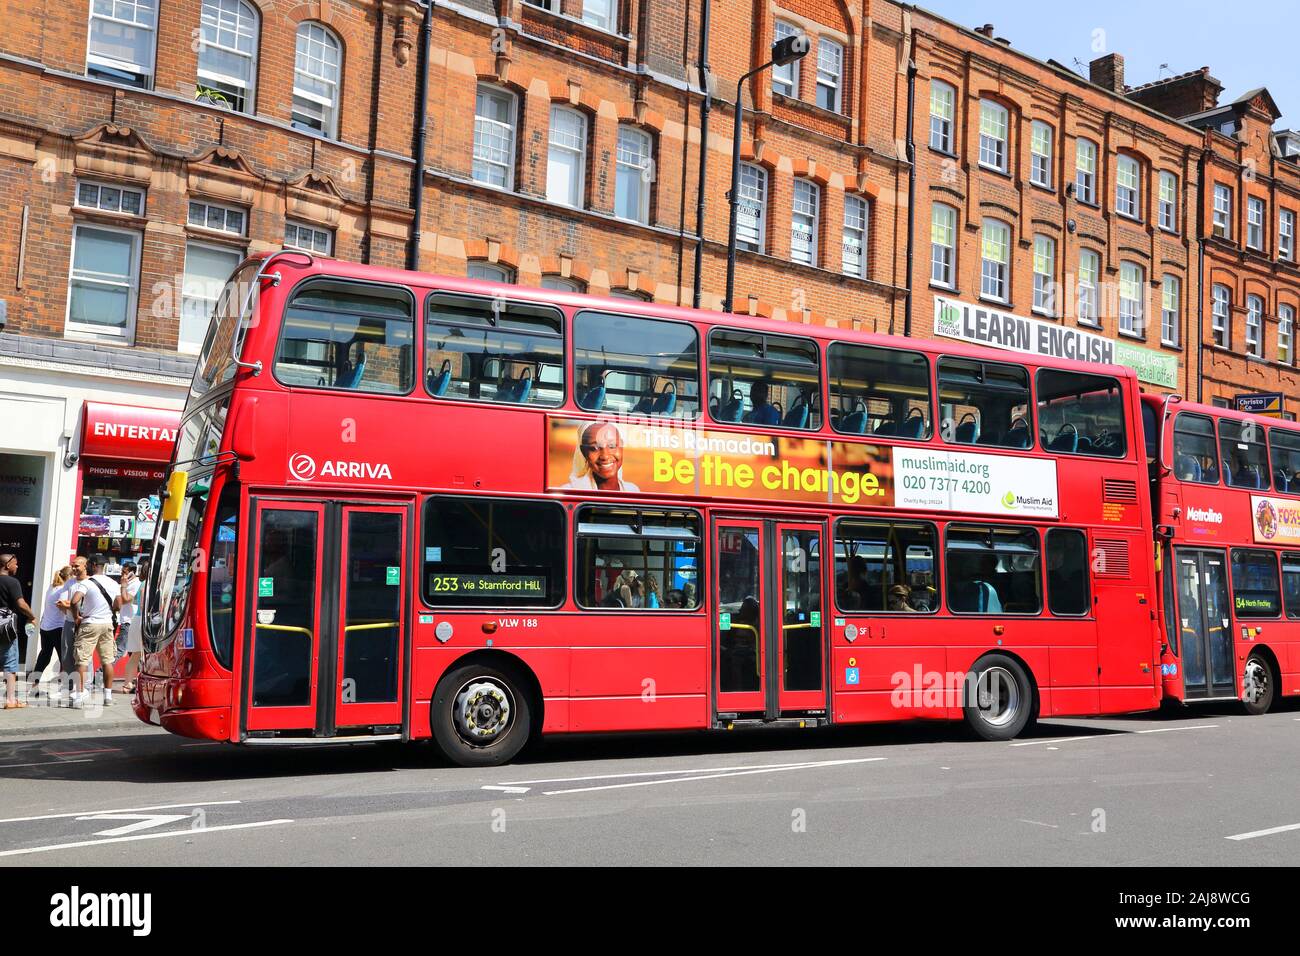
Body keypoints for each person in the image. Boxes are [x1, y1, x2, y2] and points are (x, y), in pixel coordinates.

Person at [69, 553, 121, 707]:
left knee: (82, 660)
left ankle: (79, 697)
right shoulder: (113, 583)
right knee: (107, 661)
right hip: (107, 625)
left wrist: (76, 616)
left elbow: (74, 601)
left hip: (89, 623)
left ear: (92, 565)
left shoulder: (87, 583)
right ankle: (108, 697)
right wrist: (109, 611)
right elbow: (118, 605)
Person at [30, 565, 73, 701]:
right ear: (69, 577)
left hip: (46, 627)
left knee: (44, 656)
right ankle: (65, 688)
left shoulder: (52, 587)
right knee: (65, 659)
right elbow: (63, 608)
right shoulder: (63, 590)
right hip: (58, 628)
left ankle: (34, 686)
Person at [0, 553, 38, 709]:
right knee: (10, 663)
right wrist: (32, 616)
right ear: (7, 565)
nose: (17, 566)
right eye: (15, 564)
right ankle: (10, 700)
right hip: (6, 627)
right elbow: (21, 604)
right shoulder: (12, 582)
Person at [561, 422, 640, 492]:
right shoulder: (570, 492)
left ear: (621, 445)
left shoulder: (633, 490)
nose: (605, 456)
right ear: (583, 452)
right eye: (594, 448)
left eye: (612, 445)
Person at [117, 559, 145, 694]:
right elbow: (125, 600)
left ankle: (128, 684)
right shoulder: (146, 585)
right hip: (142, 621)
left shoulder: (139, 584)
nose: (123, 574)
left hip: (134, 620)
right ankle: (139, 684)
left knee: (135, 655)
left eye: (125, 571)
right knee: (143, 656)